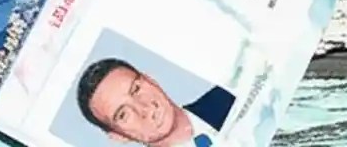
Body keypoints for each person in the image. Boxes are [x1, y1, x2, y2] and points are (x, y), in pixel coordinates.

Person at [76, 58, 235, 147]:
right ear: (118, 136)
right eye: (123, 114)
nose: (144, 108)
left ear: (151, 80)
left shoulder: (229, 98)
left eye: (136, 89)